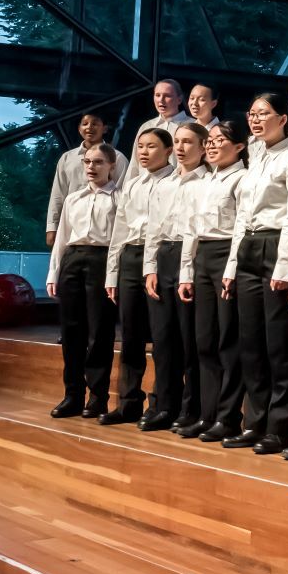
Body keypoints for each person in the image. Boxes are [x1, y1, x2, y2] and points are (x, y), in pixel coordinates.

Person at [223, 93, 288, 455]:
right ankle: (254, 422)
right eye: (252, 114)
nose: (255, 121)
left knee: (279, 345)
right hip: (249, 248)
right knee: (251, 344)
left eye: (263, 114)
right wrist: (231, 265)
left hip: (277, 247)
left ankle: (280, 427)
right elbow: (242, 215)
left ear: (283, 118)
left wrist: (287, 265)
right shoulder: (254, 158)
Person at [102, 127, 174, 426]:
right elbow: (119, 230)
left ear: (168, 150)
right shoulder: (131, 184)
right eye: (140, 146)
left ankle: (162, 404)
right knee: (130, 335)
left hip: (161, 257)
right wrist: (112, 273)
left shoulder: (176, 181)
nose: (144, 152)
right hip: (131, 256)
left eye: (152, 146)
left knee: (162, 336)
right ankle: (128, 402)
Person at [183, 121, 249, 443]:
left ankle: (228, 417)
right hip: (204, 256)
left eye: (219, 140)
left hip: (227, 254)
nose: (211, 145)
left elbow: (241, 228)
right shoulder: (205, 180)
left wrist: (232, 269)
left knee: (227, 341)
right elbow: (192, 230)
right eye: (208, 140)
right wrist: (187, 271)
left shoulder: (242, 178)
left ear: (238, 147)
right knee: (204, 341)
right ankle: (207, 415)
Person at [45, 143, 121, 419]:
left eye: (99, 162)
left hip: (102, 261)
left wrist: (113, 275)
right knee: (72, 331)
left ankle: (97, 398)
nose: (91, 167)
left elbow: (118, 241)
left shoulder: (119, 198)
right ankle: (72, 396)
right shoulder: (73, 199)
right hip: (73, 260)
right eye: (88, 162)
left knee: (100, 332)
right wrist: (54, 273)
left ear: (112, 166)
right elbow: (62, 239)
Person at [141, 122, 208, 431]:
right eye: (178, 142)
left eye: (188, 142)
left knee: (189, 341)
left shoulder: (206, 182)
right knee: (163, 339)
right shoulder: (164, 184)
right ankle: (164, 406)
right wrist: (150, 269)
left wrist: (187, 272)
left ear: (203, 146)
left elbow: (195, 232)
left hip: (189, 258)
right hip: (164, 256)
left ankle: (190, 407)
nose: (180, 148)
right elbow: (153, 229)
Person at [45, 113, 126, 248]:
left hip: (103, 229)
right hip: (71, 224)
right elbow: (58, 194)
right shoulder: (67, 158)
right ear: (79, 128)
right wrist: (52, 226)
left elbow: (123, 195)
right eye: (85, 123)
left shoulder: (118, 158)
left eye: (95, 123)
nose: (89, 127)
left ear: (105, 128)